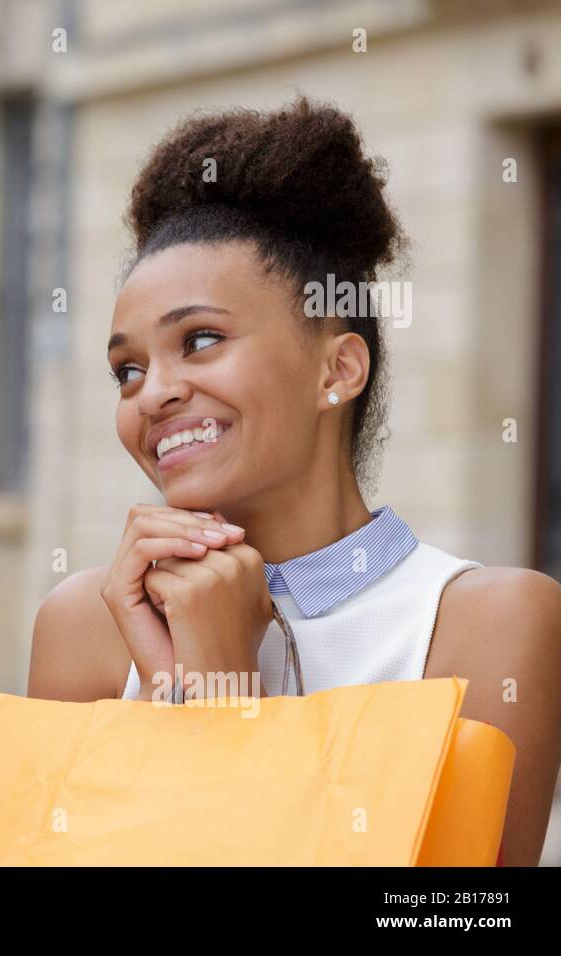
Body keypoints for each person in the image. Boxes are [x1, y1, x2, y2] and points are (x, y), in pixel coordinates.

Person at [27, 97, 561, 865]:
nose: (153, 393)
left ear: (336, 369)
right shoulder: (86, 624)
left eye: (200, 339)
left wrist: (224, 698)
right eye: (128, 369)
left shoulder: (488, 625)